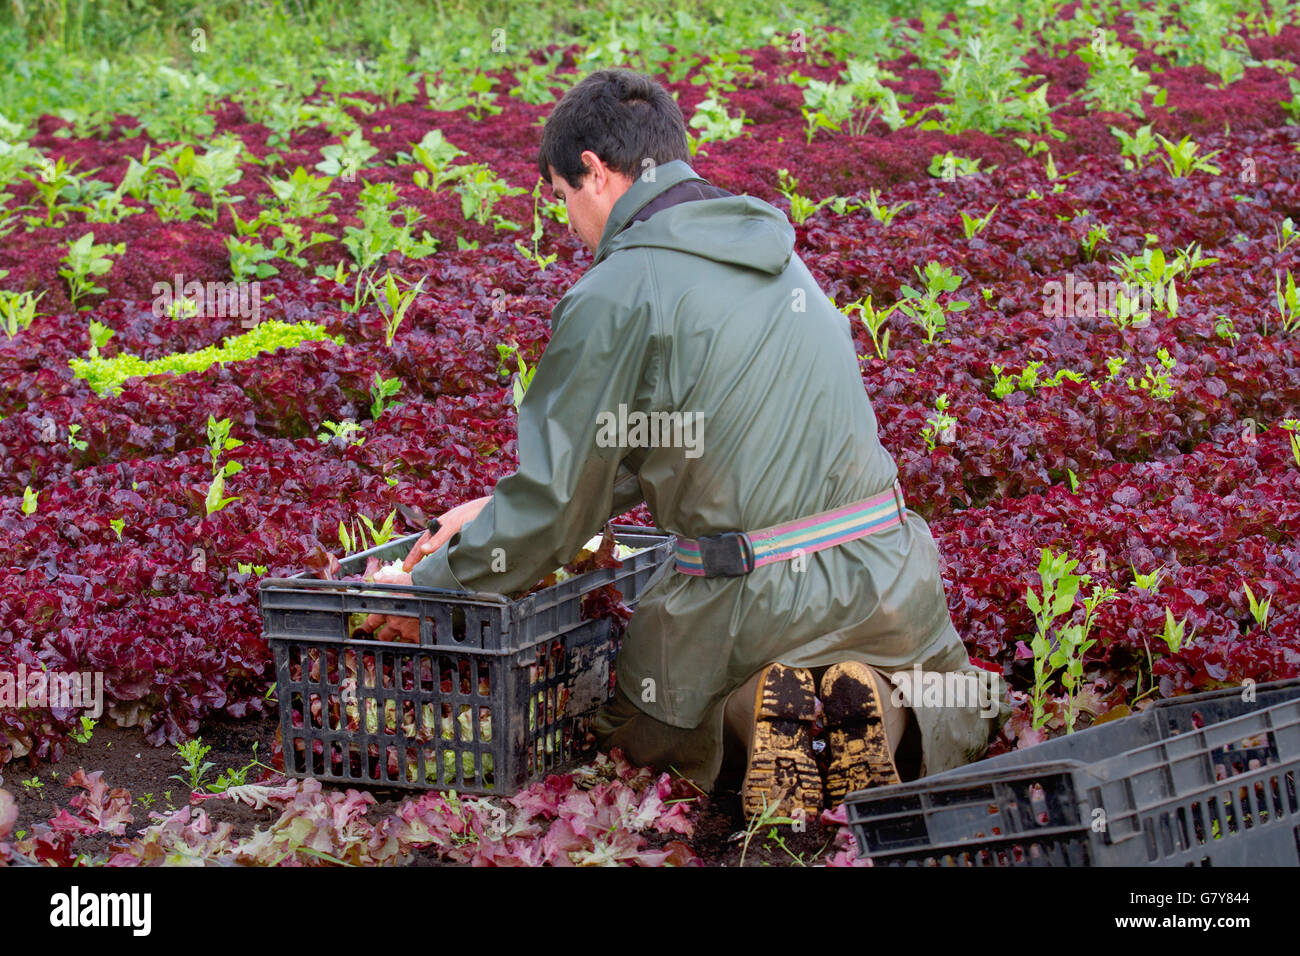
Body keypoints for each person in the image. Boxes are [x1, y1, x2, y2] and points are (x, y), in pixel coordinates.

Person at [363, 68, 993, 821]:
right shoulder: (778, 258)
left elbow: (560, 508)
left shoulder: (618, 291)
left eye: (562, 196)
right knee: (931, 697)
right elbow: (700, 439)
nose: (566, 221)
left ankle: (769, 714)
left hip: (763, 605)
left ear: (595, 172)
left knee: (637, 732)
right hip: (894, 583)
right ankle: (887, 712)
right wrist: (487, 509)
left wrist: (432, 585)